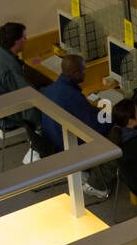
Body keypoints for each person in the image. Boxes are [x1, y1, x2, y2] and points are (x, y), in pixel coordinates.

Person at [0, 22, 50, 158]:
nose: (26, 39)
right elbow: (28, 97)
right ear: (16, 41)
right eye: (24, 37)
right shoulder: (9, 69)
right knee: (51, 101)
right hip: (4, 116)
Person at [40, 53, 109, 198]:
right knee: (114, 134)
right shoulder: (74, 98)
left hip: (53, 142)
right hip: (70, 149)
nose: (85, 73)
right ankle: (97, 180)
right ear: (76, 73)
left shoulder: (50, 89)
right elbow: (95, 130)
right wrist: (111, 116)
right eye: (83, 70)